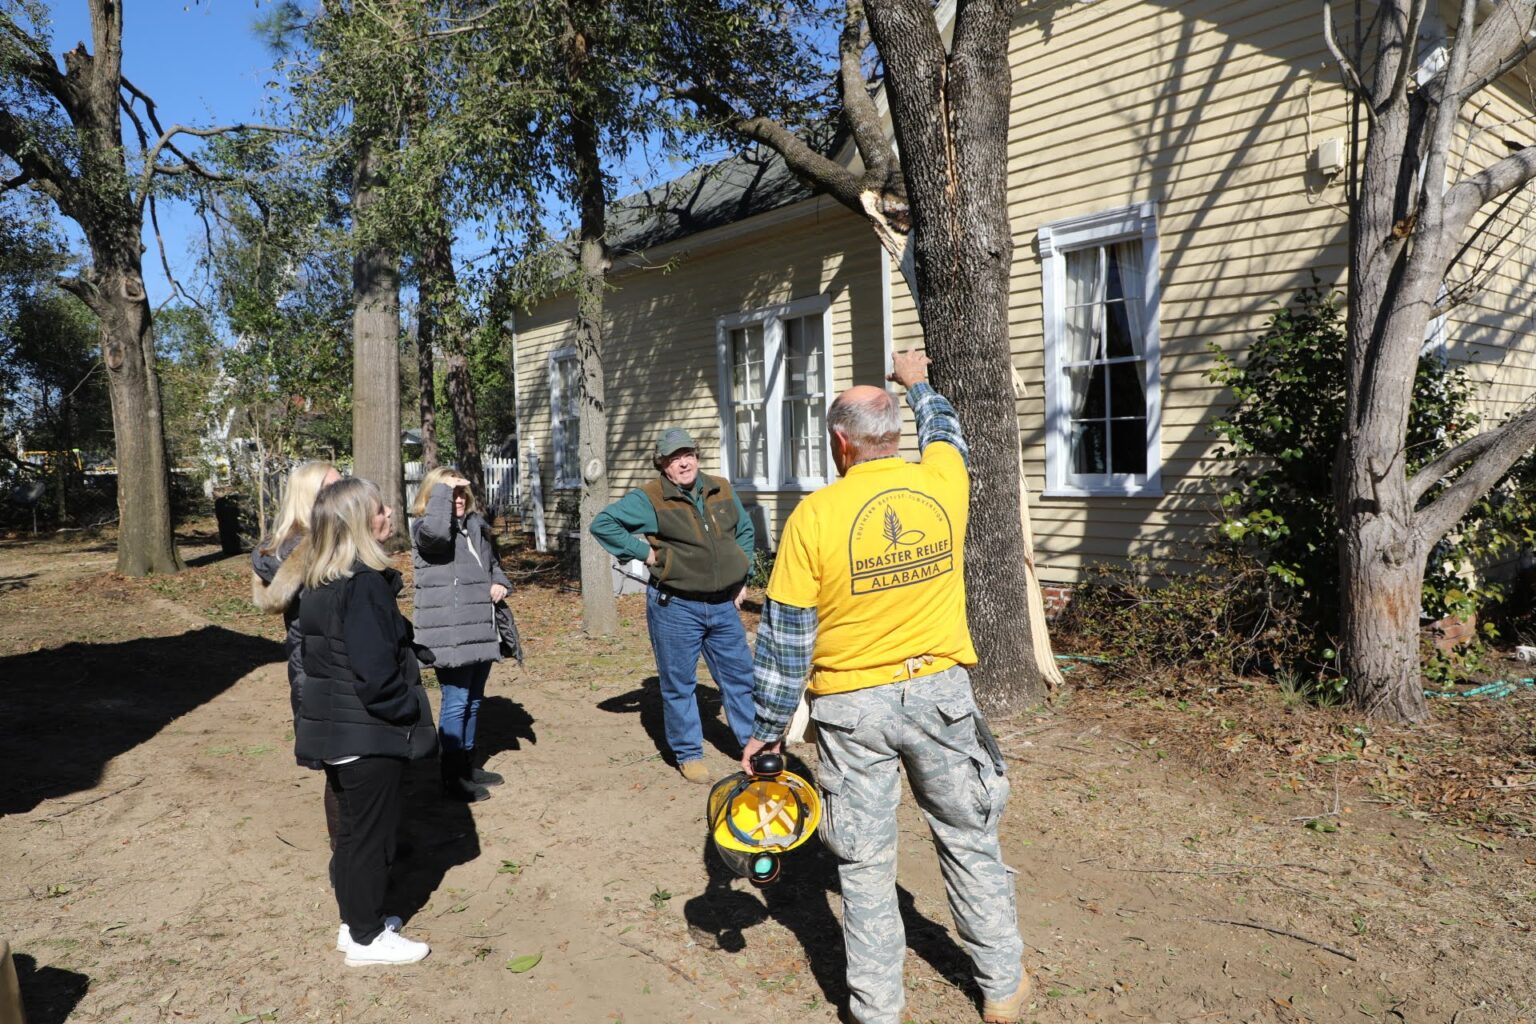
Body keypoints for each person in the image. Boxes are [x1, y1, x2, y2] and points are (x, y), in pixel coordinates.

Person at [741, 351, 1029, 1024]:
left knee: (864, 867)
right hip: (939, 696)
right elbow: (948, 434)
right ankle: (1003, 987)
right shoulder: (942, 480)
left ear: (840, 443)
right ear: (895, 435)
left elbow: (786, 643)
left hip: (851, 710)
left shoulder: (814, 517)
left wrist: (766, 728)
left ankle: (876, 1010)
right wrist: (919, 381)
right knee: (968, 838)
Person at [297, 477, 435, 966]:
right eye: (379, 510)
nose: (389, 513)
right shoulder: (363, 586)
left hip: (342, 730)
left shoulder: (321, 582)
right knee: (370, 840)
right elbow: (375, 674)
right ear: (357, 523)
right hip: (368, 733)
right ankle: (366, 939)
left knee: (354, 836)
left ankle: (356, 924)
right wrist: (406, 713)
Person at [589, 427, 756, 784]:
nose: (684, 463)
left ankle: (753, 745)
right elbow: (603, 524)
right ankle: (689, 753)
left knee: (740, 678)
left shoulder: (720, 488)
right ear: (663, 464)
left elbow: (744, 531)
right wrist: (643, 553)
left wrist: (743, 575)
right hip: (676, 606)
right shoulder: (650, 498)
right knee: (679, 683)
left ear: (697, 456)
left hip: (723, 603)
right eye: (674, 458)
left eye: (689, 455)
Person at [251, 461, 343, 834]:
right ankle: (347, 856)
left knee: (352, 763)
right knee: (340, 766)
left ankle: (364, 846)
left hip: (329, 661)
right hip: (320, 665)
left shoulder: (332, 537)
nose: (341, 492)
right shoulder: (303, 546)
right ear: (310, 494)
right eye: (332, 487)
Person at [410, 466, 510, 802]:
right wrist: (442, 490)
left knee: (474, 700)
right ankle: (451, 777)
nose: (457, 499)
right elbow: (438, 536)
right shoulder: (424, 528)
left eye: (460, 494)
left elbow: (491, 563)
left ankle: (467, 765)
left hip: (480, 627)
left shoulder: (473, 527)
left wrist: (500, 581)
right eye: (450, 493)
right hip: (447, 633)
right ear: (433, 495)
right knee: (455, 703)